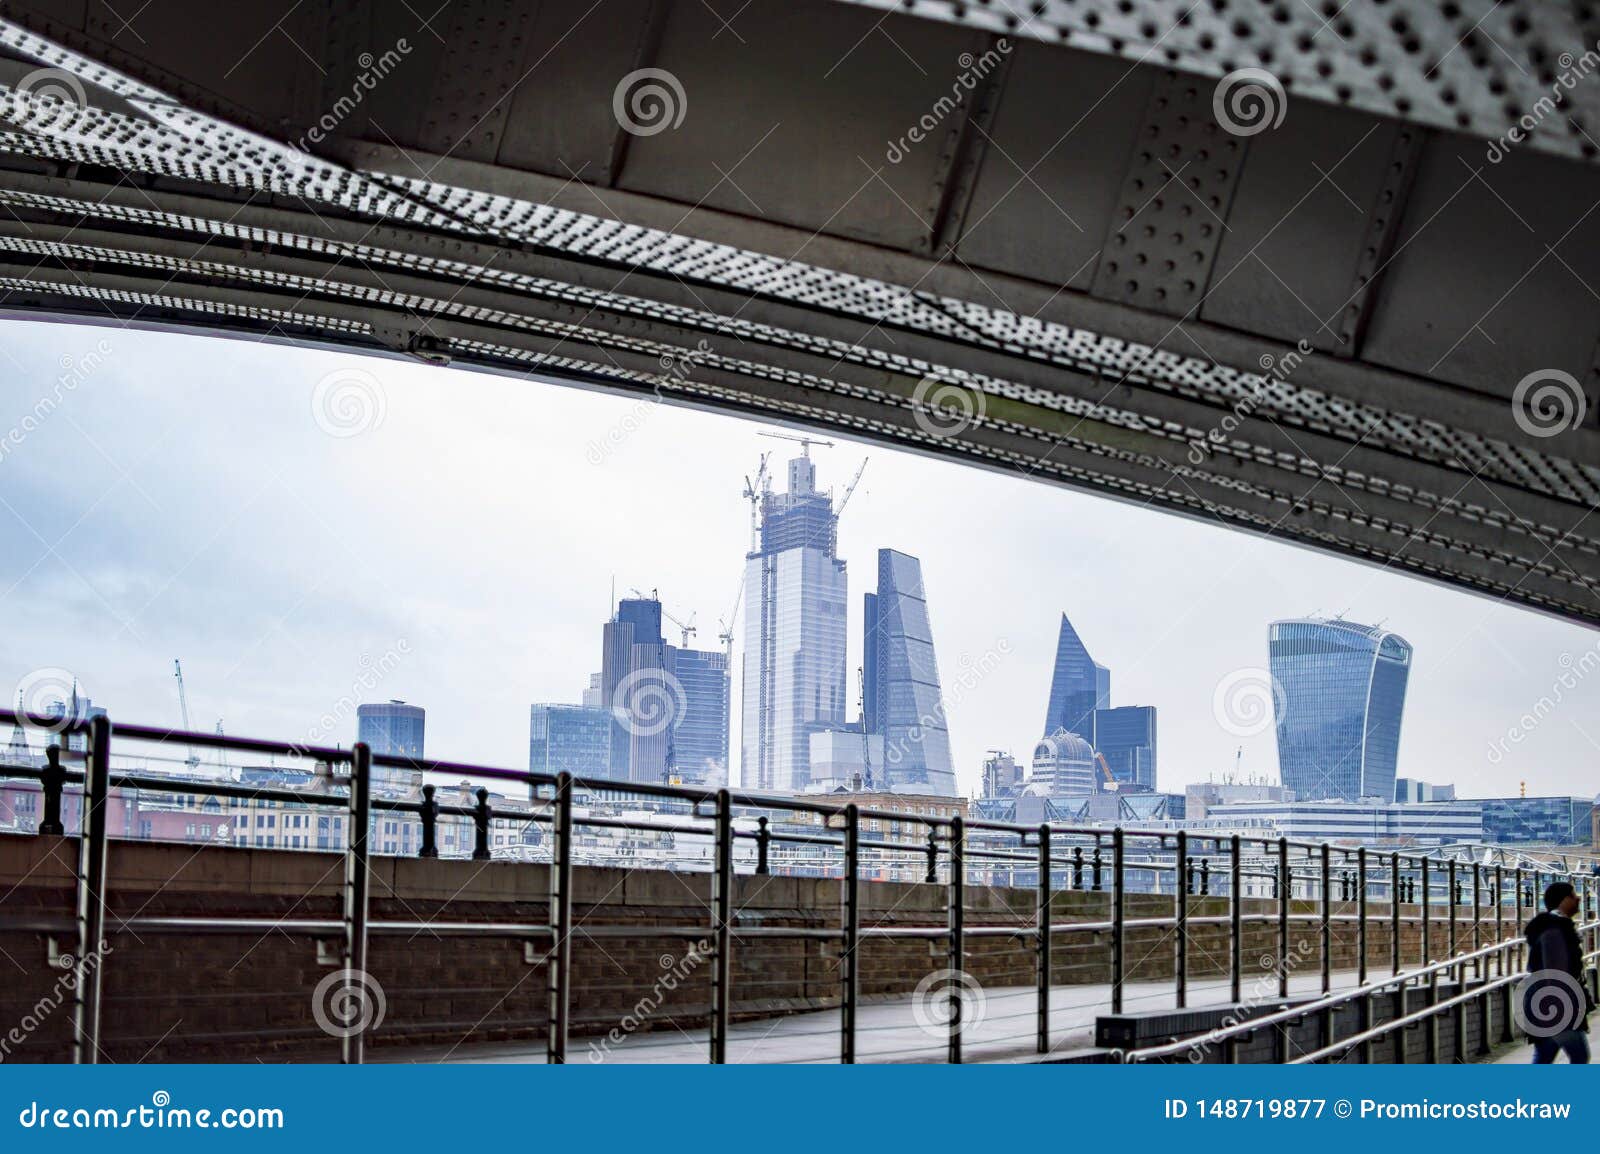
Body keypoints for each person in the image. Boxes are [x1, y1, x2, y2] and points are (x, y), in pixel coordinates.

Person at [1523, 881, 1593, 1063]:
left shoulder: (1553, 926)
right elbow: (1555, 972)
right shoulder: (1554, 930)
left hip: (1546, 1005)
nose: (1578, 899)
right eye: (1573, 895)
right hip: (1556, 1006)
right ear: (1563, 901)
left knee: (1544, 1057)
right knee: (1579, 1056)